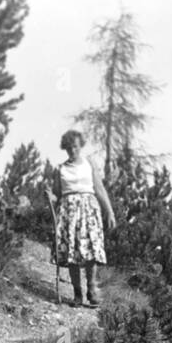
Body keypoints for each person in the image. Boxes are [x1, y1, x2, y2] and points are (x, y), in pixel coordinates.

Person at [54, 129, 116, 307]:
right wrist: (49, 196)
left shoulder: (88, 164)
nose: (72, 151)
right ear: (65, 148)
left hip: (89, 210)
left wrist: (109, 211)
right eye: (68, 148)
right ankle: (77, 293)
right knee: (72, 254)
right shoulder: (61, 169)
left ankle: (91, 289)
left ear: (80, 146)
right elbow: (56, 193)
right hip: (68, 212)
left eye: (75, 147)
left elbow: (100, 189)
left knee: (91, 251)